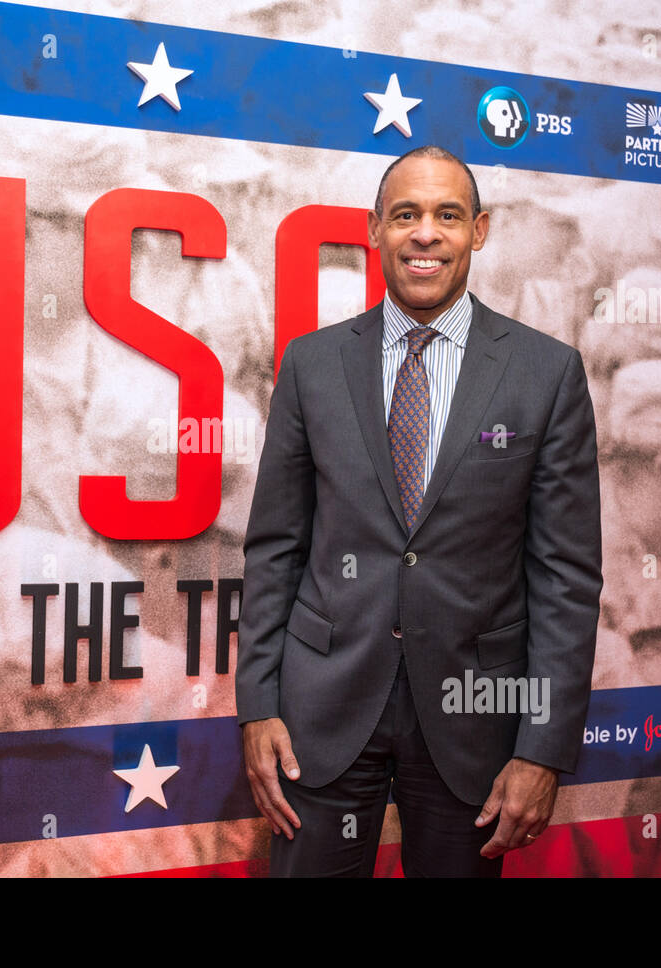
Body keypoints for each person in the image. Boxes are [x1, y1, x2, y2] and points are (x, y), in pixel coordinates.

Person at [236, 146, 604, 877]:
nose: (425, 234)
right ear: (375, 229)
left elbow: (565, 577)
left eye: (446, 215)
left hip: (475, 719)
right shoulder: (312, 365)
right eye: (405, 215)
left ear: (480, 231)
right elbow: (274, 548)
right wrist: (257, 706)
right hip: (321, 715)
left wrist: (542, 747)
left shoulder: (547, 373)